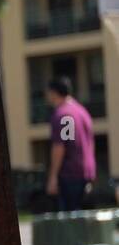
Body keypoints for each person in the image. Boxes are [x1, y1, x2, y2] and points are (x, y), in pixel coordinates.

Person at [45, 76, 96, 212]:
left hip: (70, 174)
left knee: (70, 222)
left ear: (54, 92)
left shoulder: (63, 114)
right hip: (86, 172)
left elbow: (60, 147)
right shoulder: (82, 111)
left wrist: (53, 177)